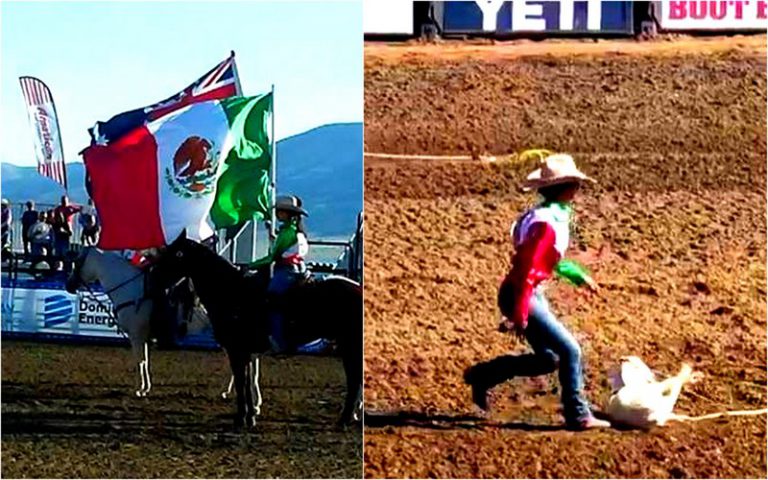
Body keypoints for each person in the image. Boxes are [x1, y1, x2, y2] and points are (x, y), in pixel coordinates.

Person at [463, 153, 611, 431]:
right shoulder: (547, 223)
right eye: (575, 184)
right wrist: (520, 313)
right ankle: (578, 414)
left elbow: (545, 260)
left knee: (550, 359)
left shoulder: (544, 217)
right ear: (566, 188)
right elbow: (529, 268)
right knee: (570, 351)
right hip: (525, 293)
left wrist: (579, 276)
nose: (578, 189)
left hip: (526, 292)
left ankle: (483, 375)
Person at [248, 195, 326, 353]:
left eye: (280, 211)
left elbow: (272, 257)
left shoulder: (287, 233)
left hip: (286, 271)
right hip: (298, 269)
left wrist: (250, 265)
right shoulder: (294, 231)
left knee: (272, 299)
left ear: (287, 213)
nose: (277, 214)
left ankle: (278, 342)